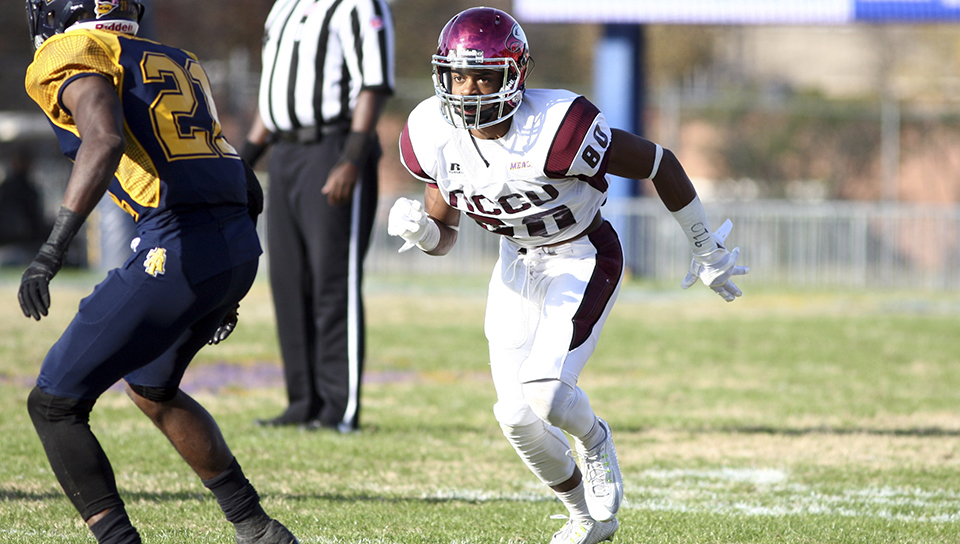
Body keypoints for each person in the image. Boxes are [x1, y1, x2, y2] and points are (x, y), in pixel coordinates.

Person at [388, 7, 749, 544]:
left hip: (582, 254)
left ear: (515, 74)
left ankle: (597, 441)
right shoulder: (431, 134)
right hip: (515, 264)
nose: (469, 90)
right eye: (459, 75)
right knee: (515, 416)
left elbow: (658, 162)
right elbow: (445, 236)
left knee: (549, 391)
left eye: (484, 75)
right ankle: (587, 518)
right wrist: (421, 233)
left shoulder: (558, 128)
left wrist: (705, 247)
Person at [20, 1, 297, 543]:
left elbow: (102, 139)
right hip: (236, 243)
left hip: (175, 244)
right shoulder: (173, 58)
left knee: (54, 404)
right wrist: (227, 289)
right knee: (152, 388)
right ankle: (257, 528)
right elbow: (245, 180)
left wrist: (52, 249)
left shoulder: (72, 52)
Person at [239, 0, 395, 433]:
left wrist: (350, 158)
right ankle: (301, 402)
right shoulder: (282, 7)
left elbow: (374, 83)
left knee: (332, 281)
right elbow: (274, 92)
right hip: (284, 151)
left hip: (334, 146)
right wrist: (244, 158)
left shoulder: (358, 6)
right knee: (287, 281)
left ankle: (337, 409)